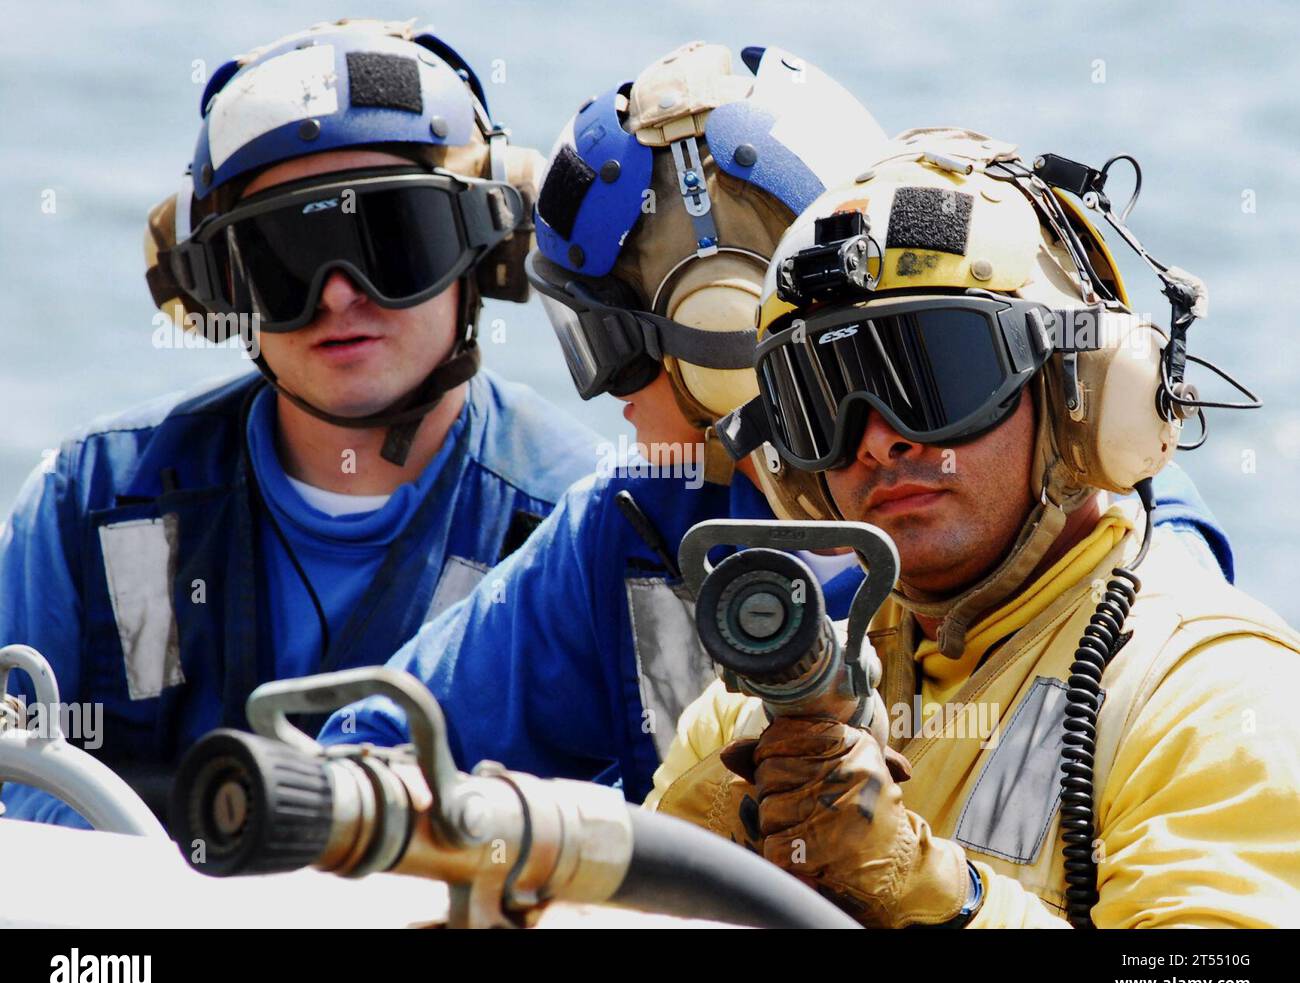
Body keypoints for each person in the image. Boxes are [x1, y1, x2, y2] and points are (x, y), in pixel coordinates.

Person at [319, 51, 1232, 806]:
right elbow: (380, 741)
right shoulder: (639, 520)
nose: (610, 398)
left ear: (724, 342)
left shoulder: (1108, 533)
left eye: (611, 347)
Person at [648, 128, 1300, 929]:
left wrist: (931, 895)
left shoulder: (1213, 698)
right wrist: (721, 828)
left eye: (937, 378)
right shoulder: (754, 712)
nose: (881, 438)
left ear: (1080, 391)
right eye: (828, 400)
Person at [0, 20, 601, 828]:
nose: (338, 296)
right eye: (283, 255)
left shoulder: (580, 523)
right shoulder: (92, 501)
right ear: (220, 288)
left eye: (391, 240)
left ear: (480, 244)